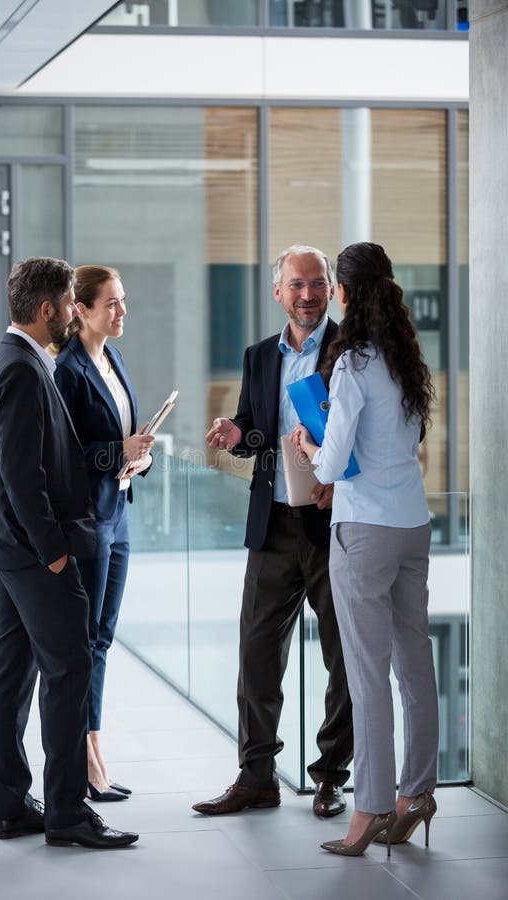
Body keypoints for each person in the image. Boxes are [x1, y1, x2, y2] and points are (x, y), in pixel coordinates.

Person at [0, 256, 138, 849]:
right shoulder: (20, 369)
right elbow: (22, 477)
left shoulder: (5, 359)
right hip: (35, 556)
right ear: (49, 310)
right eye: (70, 303)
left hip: (7, 550)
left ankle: (13, 808)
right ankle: (67, 813)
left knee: (11, 677)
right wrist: (57, 555)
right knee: (69, 671)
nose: (73, 313)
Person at [192, 245, 353, 818]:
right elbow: (260, 430)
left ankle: (333, 777)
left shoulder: (352, 350)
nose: (307, 294)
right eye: (296, 285)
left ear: (330, 288)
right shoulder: (260, 356)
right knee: (257, 655)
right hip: (272, 527)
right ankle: (256, 775)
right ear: (278, 292)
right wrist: (239, 432)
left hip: (336, 528)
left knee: (345, 659)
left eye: (316, 283)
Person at [292, 241, 438, 856]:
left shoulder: (352, 362)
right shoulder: (407, 359)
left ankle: (371, 809)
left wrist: (306, 447)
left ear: (345, 293)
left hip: (364, 532)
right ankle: (417, 795)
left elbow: (335, 461)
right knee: (415, 664)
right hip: (413, 525)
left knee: (366, 675)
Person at [54, 265, 153, 802]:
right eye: (110, 303)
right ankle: (86, 761)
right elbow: (66, 455)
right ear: (81, 309)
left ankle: (94, 750)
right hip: (90, 520)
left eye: (123, 301)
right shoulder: (67, 371)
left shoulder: (111, 359)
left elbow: (120, 439)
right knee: (85, 639)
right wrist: (119, 453)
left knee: (103, 637)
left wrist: (138, 458)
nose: (121, 312)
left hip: (119, 511)